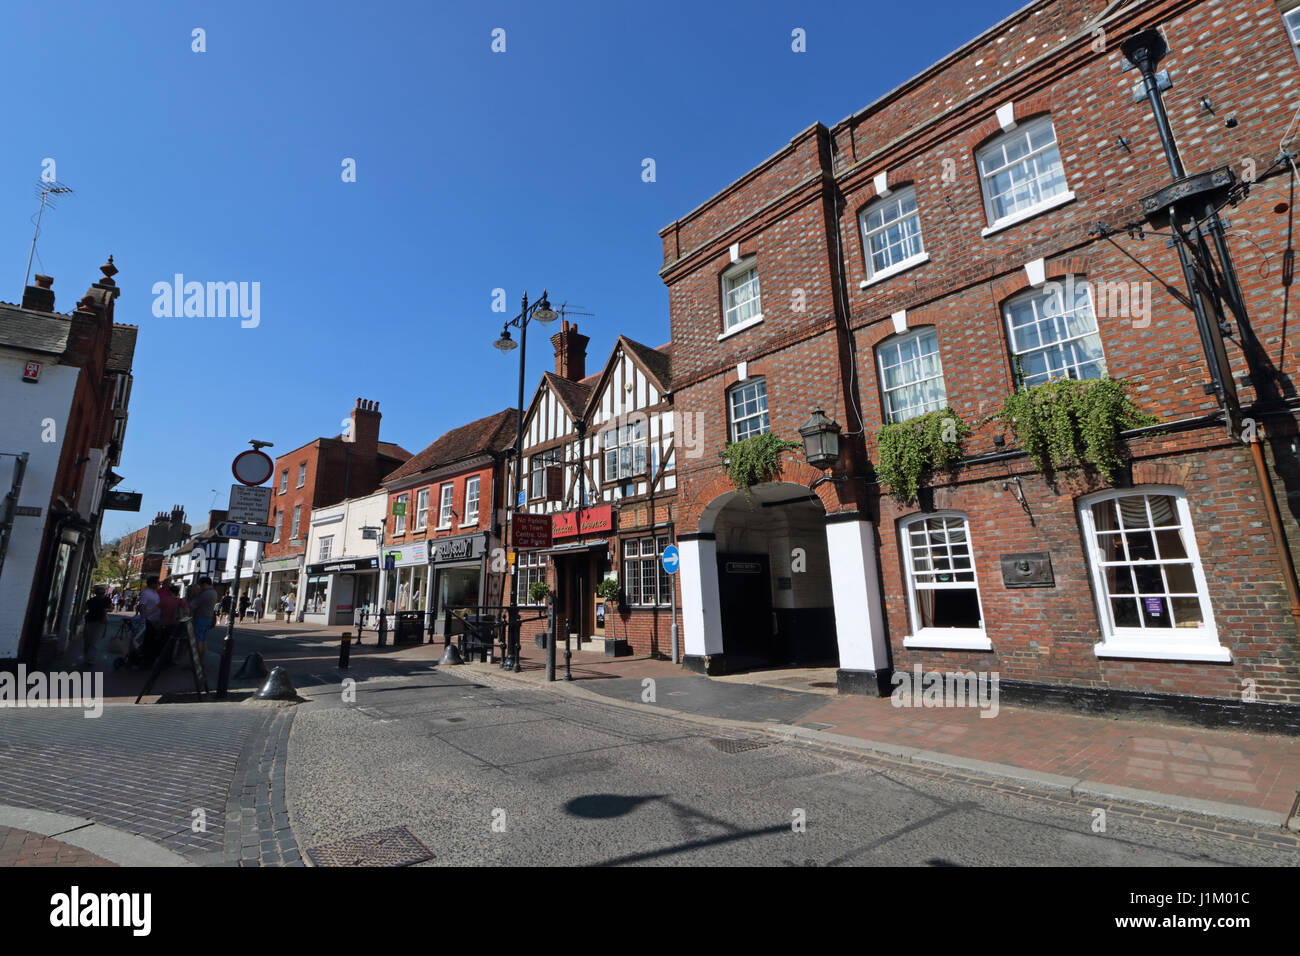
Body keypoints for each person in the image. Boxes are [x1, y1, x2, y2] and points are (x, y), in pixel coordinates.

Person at [188, 576, 218, 661]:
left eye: (201, 585)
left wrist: (194, 595)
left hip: (201, 617)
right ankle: (201, 659)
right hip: (208, 617)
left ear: (204, 584)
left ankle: (197, 660)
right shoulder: (214, 592)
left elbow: (193, 605)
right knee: (203, 639)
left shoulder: (205, 594)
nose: (200, 587)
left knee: (198, 640)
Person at [82, 585, 111, 668]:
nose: (101, 594)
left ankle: (90, 659)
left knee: (94, 641)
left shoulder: (106, 600)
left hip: (99, 622)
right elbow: (86, 607)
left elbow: (110, 608)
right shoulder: (92, 600)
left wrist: (105, 610)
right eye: (100, 593)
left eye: (102, 593)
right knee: (88, 640)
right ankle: (87, 657)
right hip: (91, 621)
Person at [137, 576, 164, 664]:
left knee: (152, 640)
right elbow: (142, 606)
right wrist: (144, 617)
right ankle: (144, 659)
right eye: (157, 583)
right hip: (148, 620)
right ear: (152, 584)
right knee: (147, 640)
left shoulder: (155, 593)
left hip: (155, 620)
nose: (159, 585)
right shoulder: (146, 593)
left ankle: (148, 658)